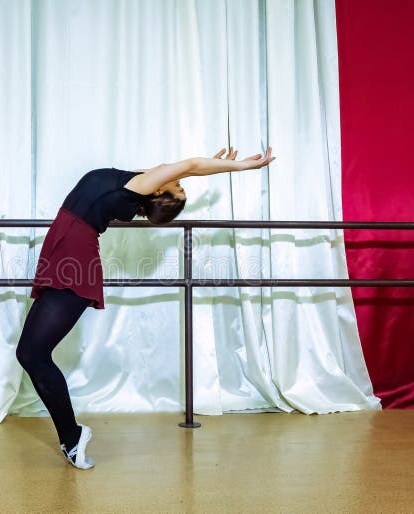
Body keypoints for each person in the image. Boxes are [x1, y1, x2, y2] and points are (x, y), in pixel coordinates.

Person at [16, 146, 276, 469]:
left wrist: (238, 167)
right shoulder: (136, 183)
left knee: (32, 354)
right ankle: (72, 436)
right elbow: (188, 169)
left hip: (74, 261)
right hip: (66, 250)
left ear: (158, 191)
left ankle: (72, 437)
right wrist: (219, 163)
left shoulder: (138, 186)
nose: (178, 179)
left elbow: (190, 165)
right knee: (30, 353)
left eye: (177, 186)